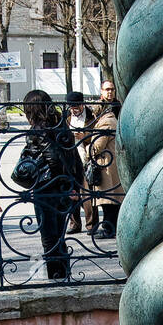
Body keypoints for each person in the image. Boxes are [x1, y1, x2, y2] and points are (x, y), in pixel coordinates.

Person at [18, 89, 83, 280]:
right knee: (59, 237)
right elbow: (74, 157)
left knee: (49, 238)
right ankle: (63, 276)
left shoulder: (39, 131)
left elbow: (54, 159)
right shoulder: (61, 124)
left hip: (47, 189)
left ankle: (56, 278)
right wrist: (74, 185)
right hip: (64, 187)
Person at [87, 95, 124, 239]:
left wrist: (87, 153)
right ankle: (111, 227)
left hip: (106, 166)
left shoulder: (105, 123)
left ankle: (109, 228)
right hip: (110, 164)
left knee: (108, 199)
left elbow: (97, 146)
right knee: (112, 199)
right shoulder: (111, 120)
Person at [64, 90, 95, 233]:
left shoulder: (91, 116)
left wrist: (84, 136)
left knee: (87, 194)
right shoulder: (66, 118)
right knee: (71, 192)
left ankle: (91, 224)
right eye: (72, 107)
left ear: (82, 104)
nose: (74, 110)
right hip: (70, 158)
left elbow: (97, 136)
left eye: (77, 106)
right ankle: (75, 223)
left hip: (85, 157)